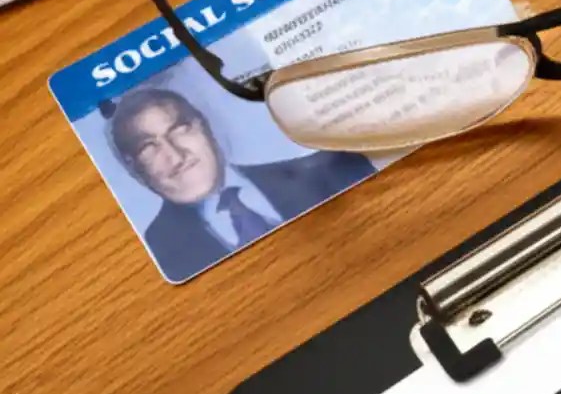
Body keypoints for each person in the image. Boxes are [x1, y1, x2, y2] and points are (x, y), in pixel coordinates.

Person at [109, 88, 376, 282]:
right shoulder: (159, 256)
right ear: (135, 169)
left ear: (203, 128)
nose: (176, 156)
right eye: (148, 147)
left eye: (179, 130)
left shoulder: (334, 168)